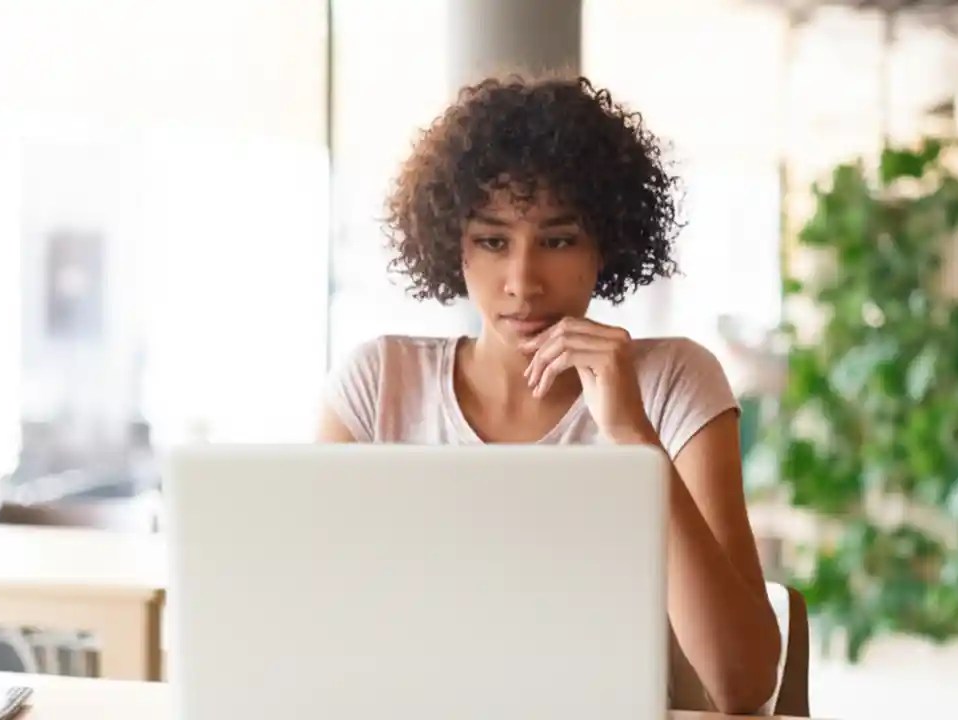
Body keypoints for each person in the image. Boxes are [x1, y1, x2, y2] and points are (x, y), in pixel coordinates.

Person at [315, 75, 780, 714]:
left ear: (605, 245)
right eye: (493, 241)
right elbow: (313, 629)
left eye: (558, 241)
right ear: (454, 246)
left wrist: (633, 439)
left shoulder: (675, 383)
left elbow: (745, 683)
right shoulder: (378, 386)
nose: (523, 281)